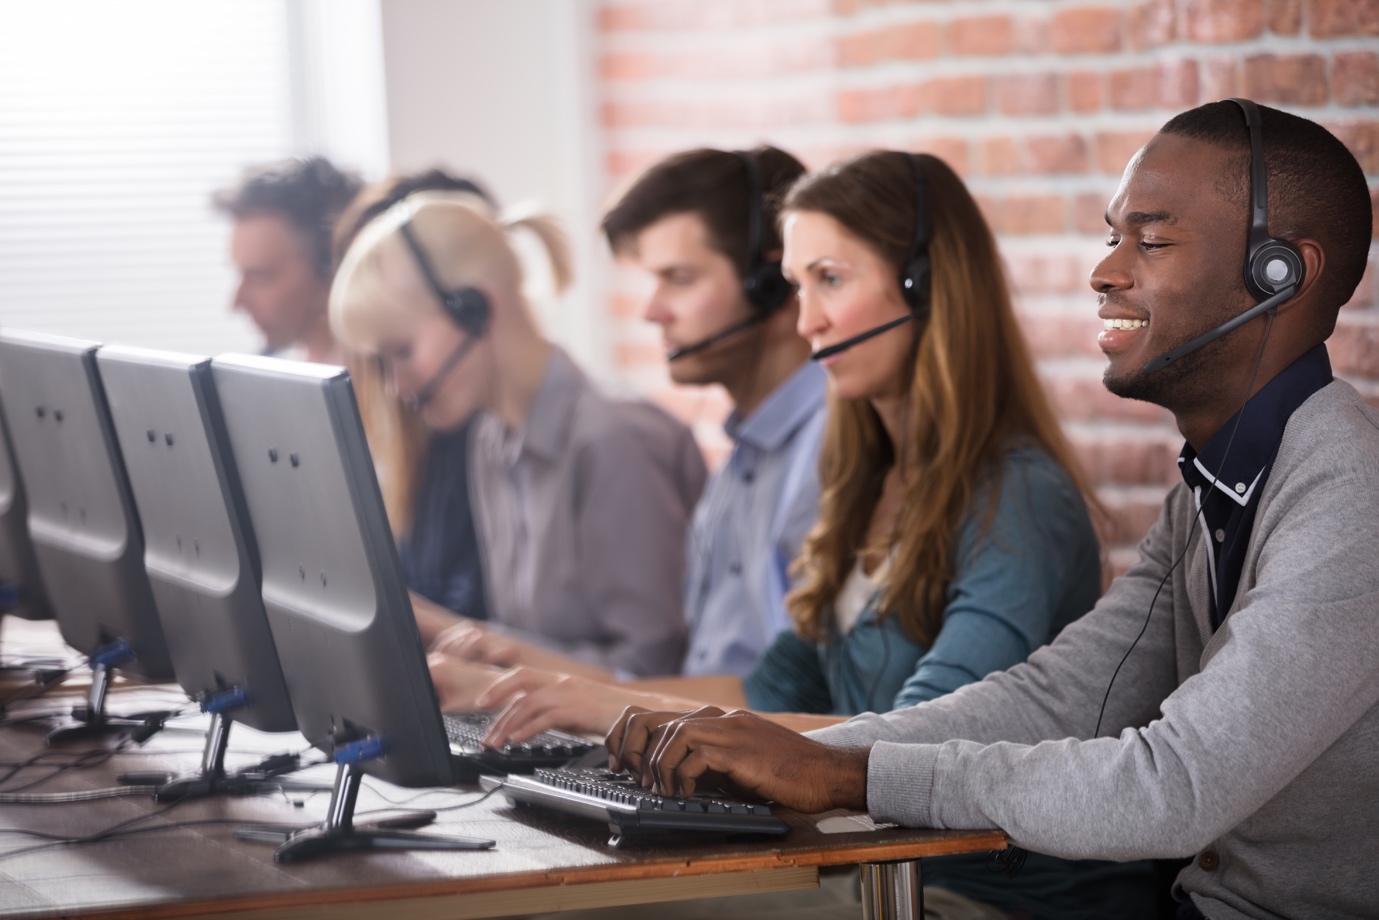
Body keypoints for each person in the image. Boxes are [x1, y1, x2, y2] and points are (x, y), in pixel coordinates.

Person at [610, 102, 1378, 920]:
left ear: (1279, 273)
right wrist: (787, 755)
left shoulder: (1346, 499)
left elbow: (1171, 785)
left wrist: (845, 776)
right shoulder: (1208, 490)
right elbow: (1057, 699)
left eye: (1148, 241)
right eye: (1111, 235)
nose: (1105, 271)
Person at [427, 146, 824, 694]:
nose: (651, 310)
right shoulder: (741, 466)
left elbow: (789, 704)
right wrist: (514, 667)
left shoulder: (830, 452)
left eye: (679, 279)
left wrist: (531, 688)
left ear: (774, 282)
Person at [330, 192, 705, 677]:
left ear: (477, 309)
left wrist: (452, 635)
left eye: (401, 351)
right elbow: (525, 640)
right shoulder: (490, 436)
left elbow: (656, 677)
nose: (397, 387)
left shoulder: (613, 441)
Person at [213, 156, 361, 363]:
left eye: (259, 278)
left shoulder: (383, 389)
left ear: (330, 270)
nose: (237, 302)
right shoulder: (274, 370)